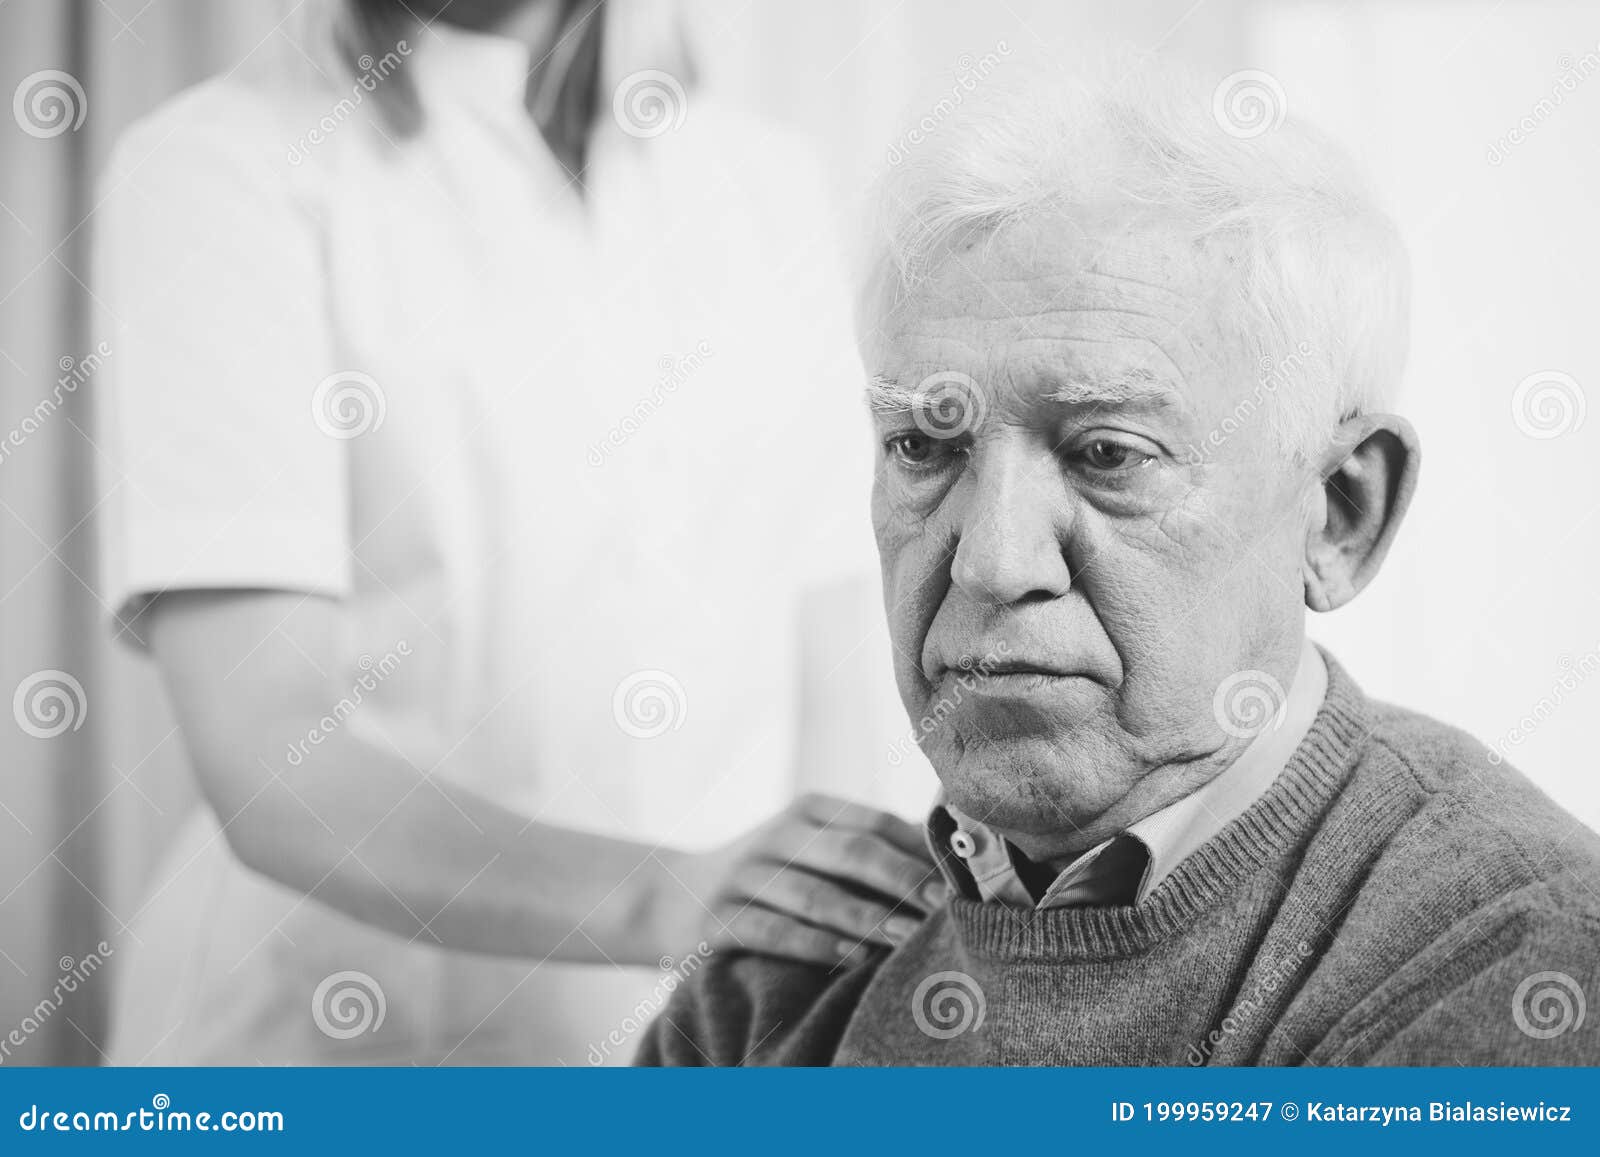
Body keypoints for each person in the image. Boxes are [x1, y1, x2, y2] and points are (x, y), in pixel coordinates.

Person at [638, 63, 1600, 1066]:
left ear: (1340, 513)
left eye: (1107, 453)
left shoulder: (1521, 963)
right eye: (925, 446)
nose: (991, 562)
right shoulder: (775, 979)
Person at [93, 0, 938, 1065]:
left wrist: (831, 956)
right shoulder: (224, 170)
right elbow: (271, 754)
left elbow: (834, 662)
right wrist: (672, 898)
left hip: (699, 1043)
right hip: (332, 1048)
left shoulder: (762, 182)